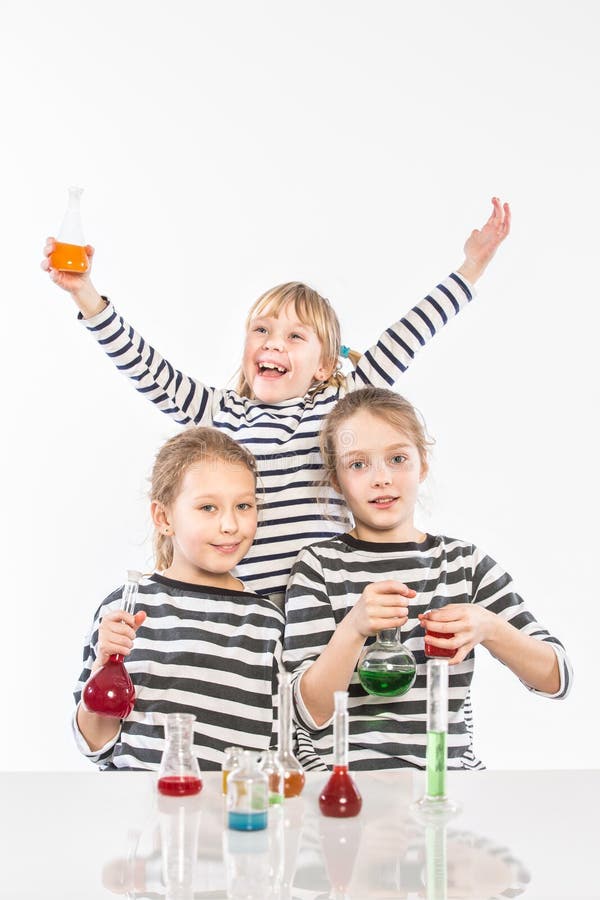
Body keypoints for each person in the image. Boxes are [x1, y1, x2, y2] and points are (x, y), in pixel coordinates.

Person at [43, 198, 510, 605]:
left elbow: (406, 337)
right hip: (243, 602)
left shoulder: (337, 404)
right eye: (262, 330)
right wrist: (85, 292)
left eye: (294, 336)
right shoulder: (220, 412)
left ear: (324, 365)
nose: (273, 344)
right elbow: (145, 367)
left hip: (327, 600)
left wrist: (470, 268)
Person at [283, 387, 572, 771]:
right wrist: (353, 628)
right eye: (357, 465)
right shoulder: (319, 567)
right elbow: (306, 712)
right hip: (343, 791)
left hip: (445, 783)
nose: (381, 478)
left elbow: (557, 678)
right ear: (335, 479)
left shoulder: (463, 565)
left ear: (423, 464)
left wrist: (489, 627)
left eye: (398, 458)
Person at [73, 427, 284, 771]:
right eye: (208, 507)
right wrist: (104, 667)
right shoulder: (124, 611)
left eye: (244, 505)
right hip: (140, 813)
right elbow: (94, 743)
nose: (230, 524)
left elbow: (279, 744)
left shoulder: (268, 623)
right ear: (164, 517)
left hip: (231, 816)